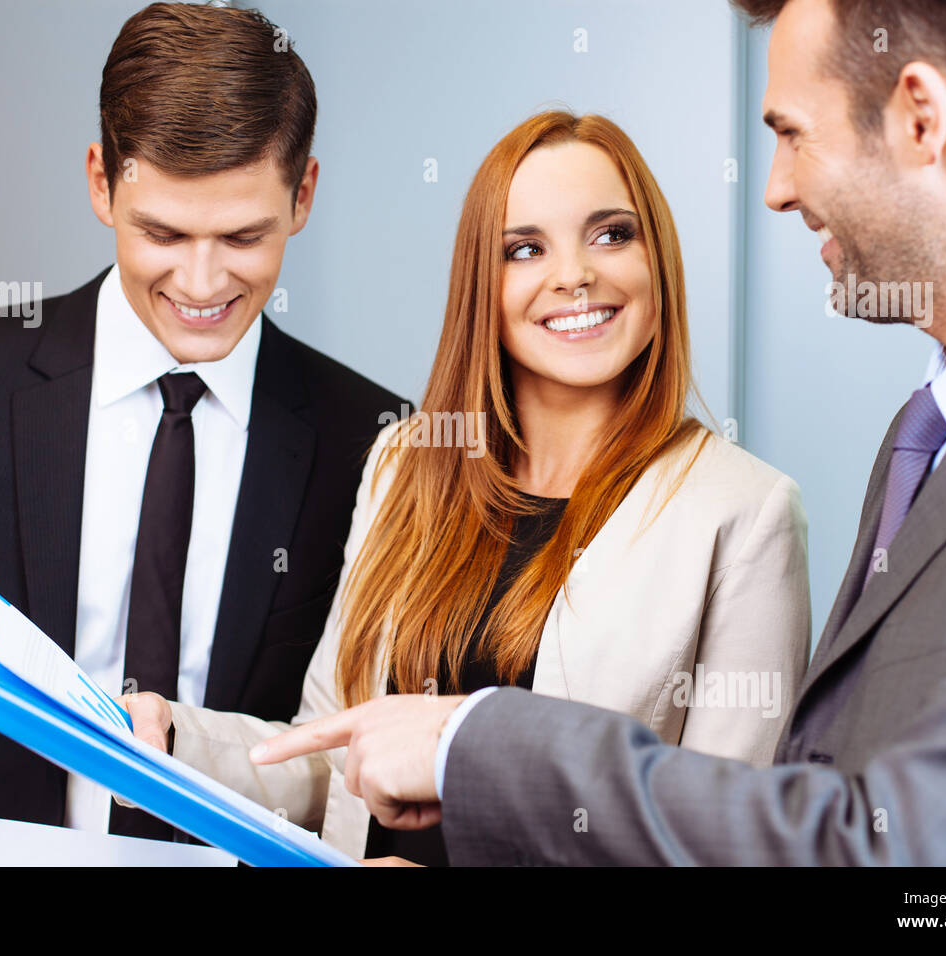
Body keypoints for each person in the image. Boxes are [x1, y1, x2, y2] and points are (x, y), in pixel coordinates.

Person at [253, 0, 946, 866]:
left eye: (793, 133)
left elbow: (893, 854)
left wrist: (471, 742)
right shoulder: (933, 433)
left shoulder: (757, 505)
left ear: (921, 117)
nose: (776, 188)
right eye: (523, 249)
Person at [0, 3, 403, 865]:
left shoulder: (371, 440)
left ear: (303, 195)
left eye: (242, 236)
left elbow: (346, 747)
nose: (201, 281)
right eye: (163, 233)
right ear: (100, 182)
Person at [122, 110, 812, 865]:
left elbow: (725, 846)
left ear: (659, 259)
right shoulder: (407, 465)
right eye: (525, 249)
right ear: (483, 280)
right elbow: (328, 756)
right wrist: (175, 741)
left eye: (613, 234)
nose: (575, 274)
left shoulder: (744, 512)